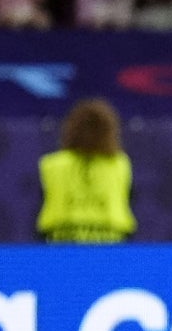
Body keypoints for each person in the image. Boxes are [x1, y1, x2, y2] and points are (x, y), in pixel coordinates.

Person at [37, 97, 136, 243]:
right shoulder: (120, 164)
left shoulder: (51, 164)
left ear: (70, 130)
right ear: (110, 132)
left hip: (60, 241)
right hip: (112, 242)